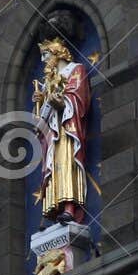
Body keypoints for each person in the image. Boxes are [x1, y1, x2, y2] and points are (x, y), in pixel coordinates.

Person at [34, 37, 91, 224]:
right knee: (52, 166)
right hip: (53, 131)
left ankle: (69, 207)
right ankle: (52, 207)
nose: (43, 60)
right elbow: (44, 113)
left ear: (58, 54)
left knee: (67, 162)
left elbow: (78, 96)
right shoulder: (48, 81)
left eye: (46, 54)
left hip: (67, 128)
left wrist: (61, 102)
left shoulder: (76, 70)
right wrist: (41, 101)